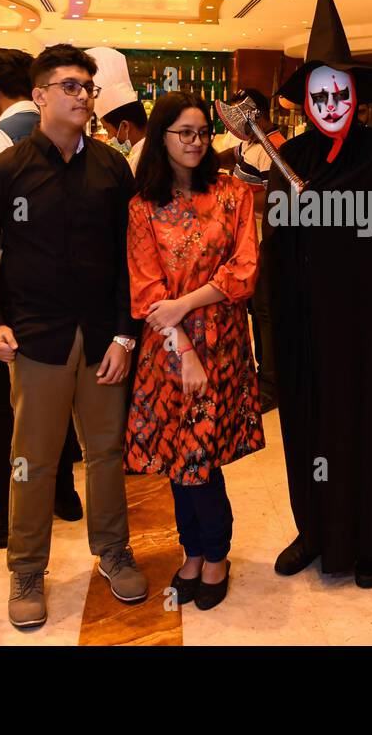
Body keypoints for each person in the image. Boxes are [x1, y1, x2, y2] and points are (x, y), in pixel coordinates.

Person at [0, 44, 147, 628]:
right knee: (32, 461)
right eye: (70, 86)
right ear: (40, 94)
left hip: (100, 337)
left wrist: (125, 335)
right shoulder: (8, 169)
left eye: (87, 88)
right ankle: (26, 567)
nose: (82, 97)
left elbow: (130, 259)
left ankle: (113, 551)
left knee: (106, 452)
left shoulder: (111, 168)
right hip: (36, 337)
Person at [264, 0, 372, 589]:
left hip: (362, 327)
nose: (329, 103)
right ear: (305, 100)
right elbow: (279, 240)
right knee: (306, 424)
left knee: (365, 424)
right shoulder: (289, 159)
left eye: (339, 91)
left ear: (356, 95)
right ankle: (314, 529)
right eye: (319, 93)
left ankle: (368, 539)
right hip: (304, 326)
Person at [126, 92, 263, 610]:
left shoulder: (233, 194)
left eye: (203, 132)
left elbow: (244, 269)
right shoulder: (143, 206)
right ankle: (193, 552)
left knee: (202, 454)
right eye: (184, 132)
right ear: (161, 138)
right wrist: (180, 341)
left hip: (222, 343)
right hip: (170, 349)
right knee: (180, 457)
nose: (196, 141)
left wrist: (185, 303)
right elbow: (145, 287)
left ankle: (216, 555)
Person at [0, 48, 81, 553]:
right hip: (62, 299)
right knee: (59, 399)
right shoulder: (71, 137)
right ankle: (65, 496)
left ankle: (6, 517)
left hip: (15, 297)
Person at [221, 87, 286, 412]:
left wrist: (233, 193)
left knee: (266, 313)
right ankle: (262, 375)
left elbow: (276, 198)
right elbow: (230, 156)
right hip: (248, 242)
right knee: (256, 312)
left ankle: (272, 384)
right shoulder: (250, 144)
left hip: (268, 244)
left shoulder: (276, 149)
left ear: (256, 115)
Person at [86, 46, 145, 171]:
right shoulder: (145, 151)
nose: (109, 137)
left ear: (124, 126)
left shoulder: (142, 159)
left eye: (108, 129)